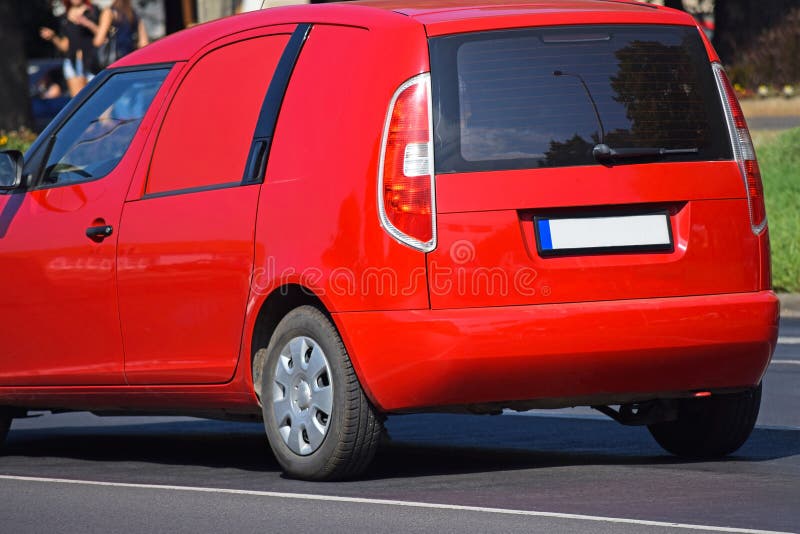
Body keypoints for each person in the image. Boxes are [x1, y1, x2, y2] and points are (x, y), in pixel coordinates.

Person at [40, 0, 101, 97]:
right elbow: (65, 46)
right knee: (78, 101)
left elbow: (102, 36)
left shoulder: (93, 11)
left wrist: (88, 24)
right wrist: (53, 37)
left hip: (91, 63)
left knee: (96, 98)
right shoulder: (65, 17)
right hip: (72, 63)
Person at [93, 0, 149, 66]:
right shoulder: (133, 13)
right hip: (129, 59)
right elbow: (144, 43)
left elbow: (98, 41)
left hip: (113, 62)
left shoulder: (109, 12)